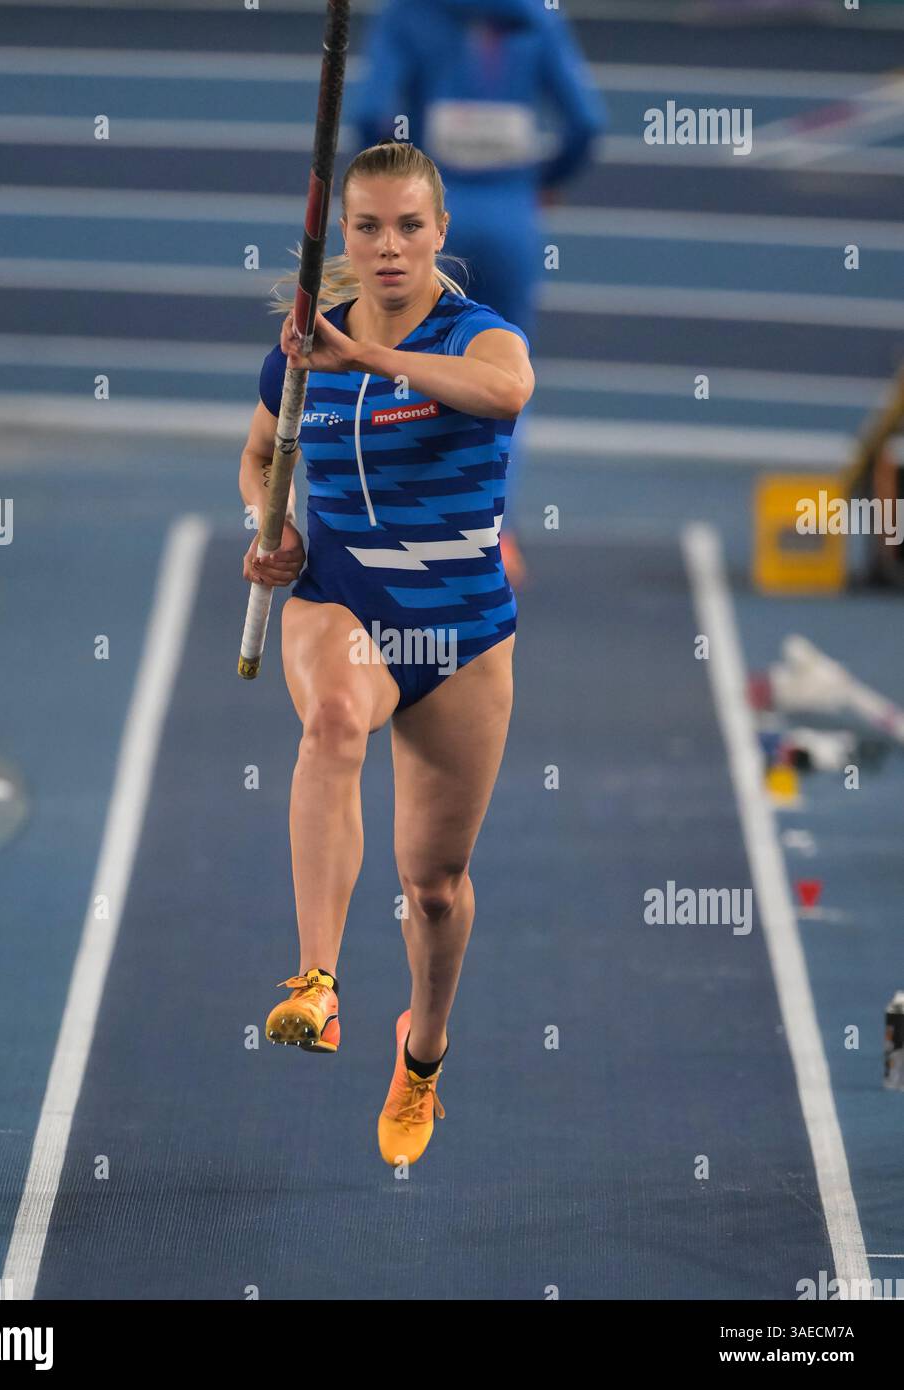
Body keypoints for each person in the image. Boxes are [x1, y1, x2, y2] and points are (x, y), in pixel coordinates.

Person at [239, 140, 534, 1166]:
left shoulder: (479, 334)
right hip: (346, 598)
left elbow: (506, 395)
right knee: (329, 725)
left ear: (440, 232)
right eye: (368, 226)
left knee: (436, 884)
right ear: (343, 238)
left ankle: (423, 1052)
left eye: (410, 225)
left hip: (458, 628)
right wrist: (267, 523)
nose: (390, 245)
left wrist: (376, 359)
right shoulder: (301, 348)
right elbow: (261, 450)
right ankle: (315, 984)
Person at [350, 0, 606, 587]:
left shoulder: (406, 15)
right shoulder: (537, 17)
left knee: (405, 361)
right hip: (512, 218)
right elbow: (587, 123)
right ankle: (496, 534)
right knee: (504, 376)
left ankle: (399, 525)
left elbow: (369, 112)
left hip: (430, 219)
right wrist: (540, 181)